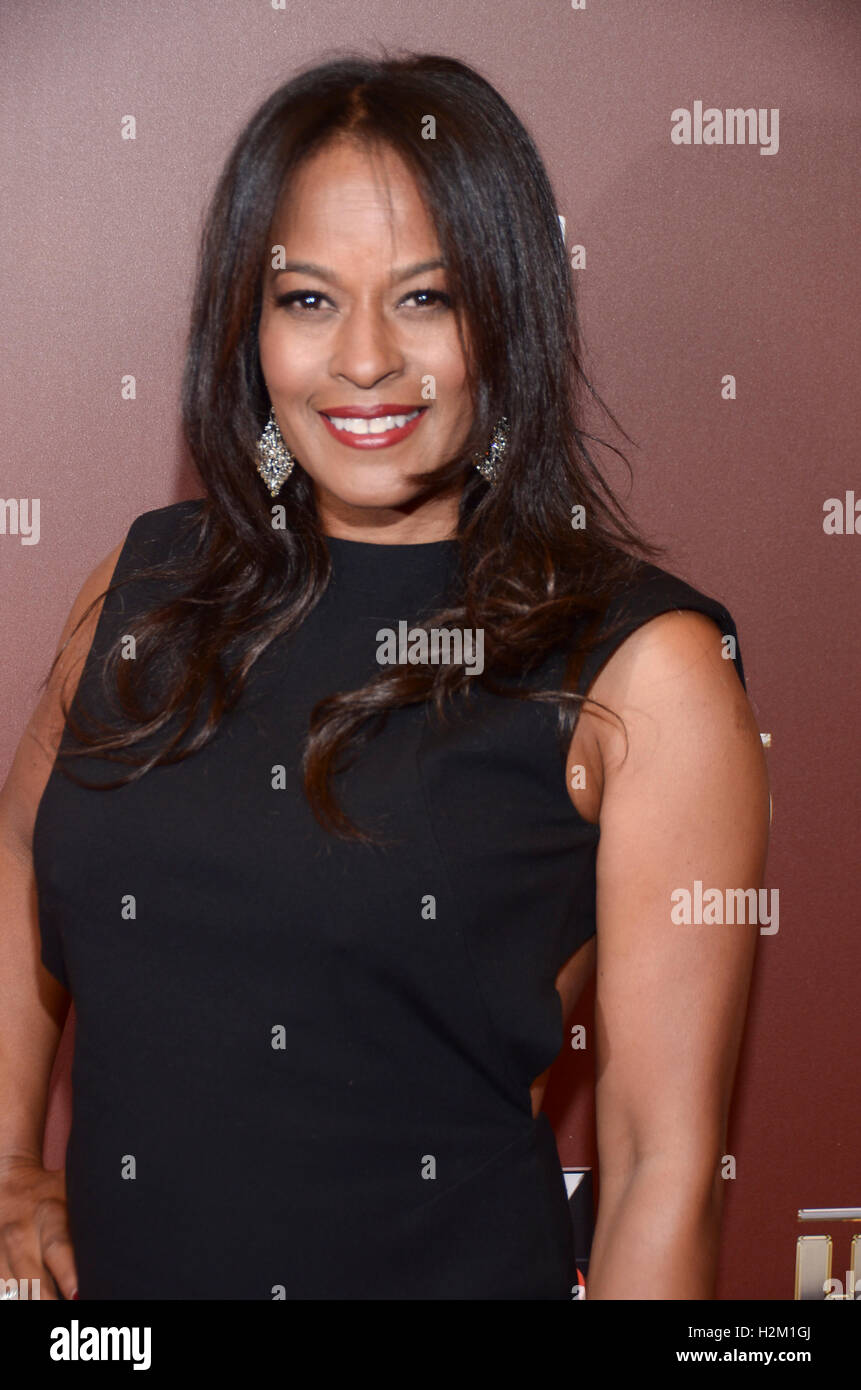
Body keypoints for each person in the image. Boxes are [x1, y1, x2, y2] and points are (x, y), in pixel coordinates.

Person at [0, 53, 769, 1301]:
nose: (363, 360)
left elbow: (652, 1174)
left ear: (506, 316)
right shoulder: (145, 585)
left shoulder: (644, 670)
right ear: (248, 327)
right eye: (308, 300)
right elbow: (23, 853)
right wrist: (6, 1164)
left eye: (427, 298)